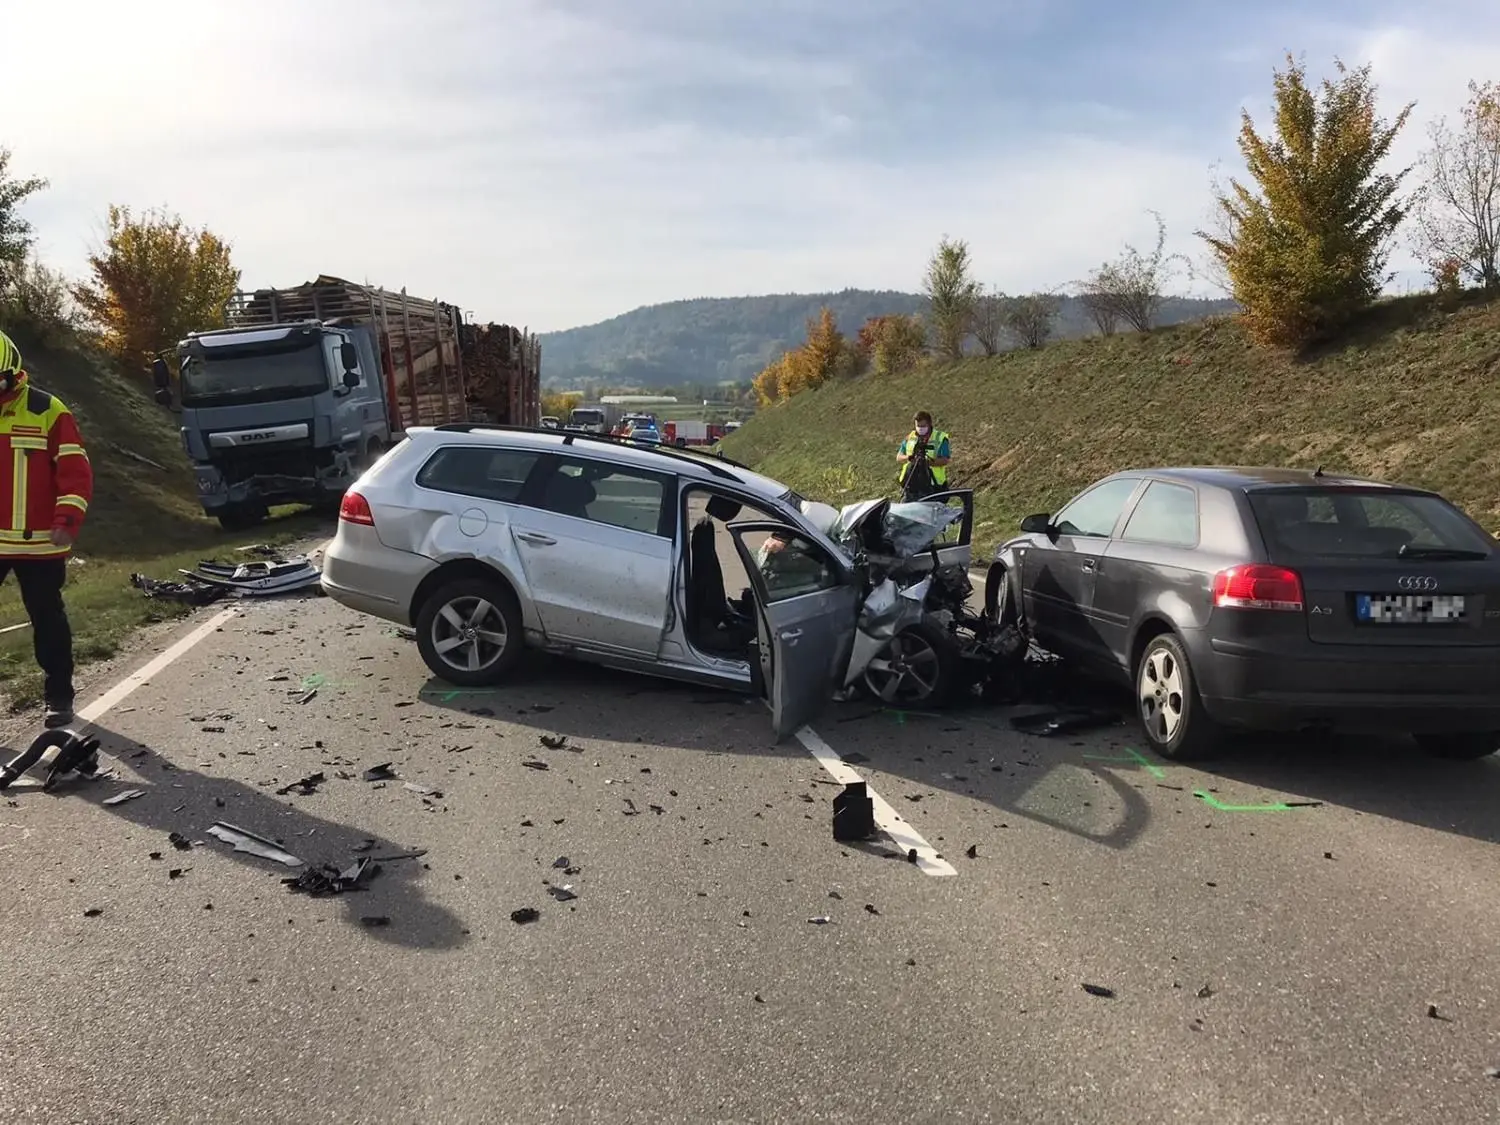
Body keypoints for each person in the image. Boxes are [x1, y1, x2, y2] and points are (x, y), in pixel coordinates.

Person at [0, 330, 93, 728]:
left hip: (40, 544)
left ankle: (59, 698)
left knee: (48, 622)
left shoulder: (47, 411)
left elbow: (76, 473)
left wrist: (67, 521)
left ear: (10, 373)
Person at [895, 411, 951, 501]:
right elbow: (899, 457)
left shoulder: (940, 438)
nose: (920, 428)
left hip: (933, 485)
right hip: (911, 483)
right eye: (918, 426)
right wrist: (909, 458)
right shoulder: (910, 437)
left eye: (923, 426)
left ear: (929, 424)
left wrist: (926, 463)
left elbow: (945, 460)